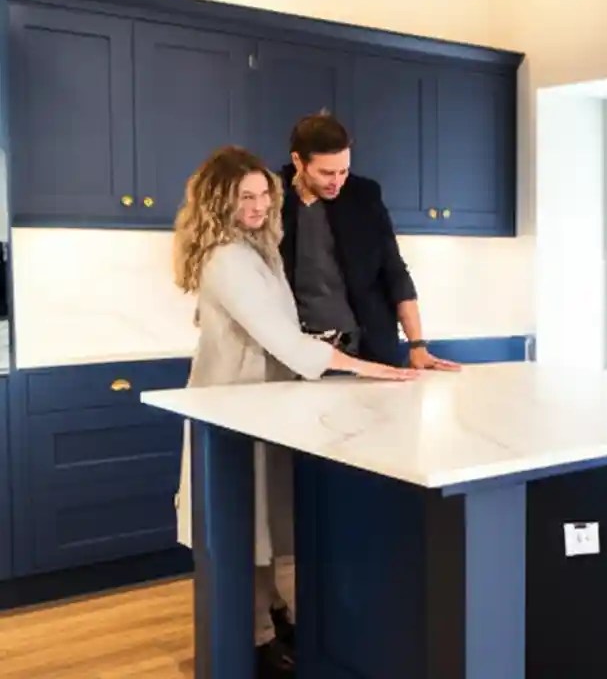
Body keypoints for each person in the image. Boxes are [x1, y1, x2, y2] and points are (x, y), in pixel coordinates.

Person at [171, 145, 422, 678]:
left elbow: (282, 331)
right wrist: (362, 366)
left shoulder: (258, 249)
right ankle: (259, 639)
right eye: (247, 197)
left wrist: (329, 350)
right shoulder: (226, 258)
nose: (261, 206)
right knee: (247, 528)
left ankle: (273, 625)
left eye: (265, 194)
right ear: (220, 201)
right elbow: (280, 338)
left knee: (265, 523)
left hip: (262, 403)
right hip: (233, 408)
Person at [277, 111, 460, 372]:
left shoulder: (363, 197)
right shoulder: (272, 198)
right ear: (298, 161)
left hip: (368, 349)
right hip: (299, 356)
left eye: (344, 171)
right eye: (327, 173)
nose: (337, 182)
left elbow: (394, 272)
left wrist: (417, 345)